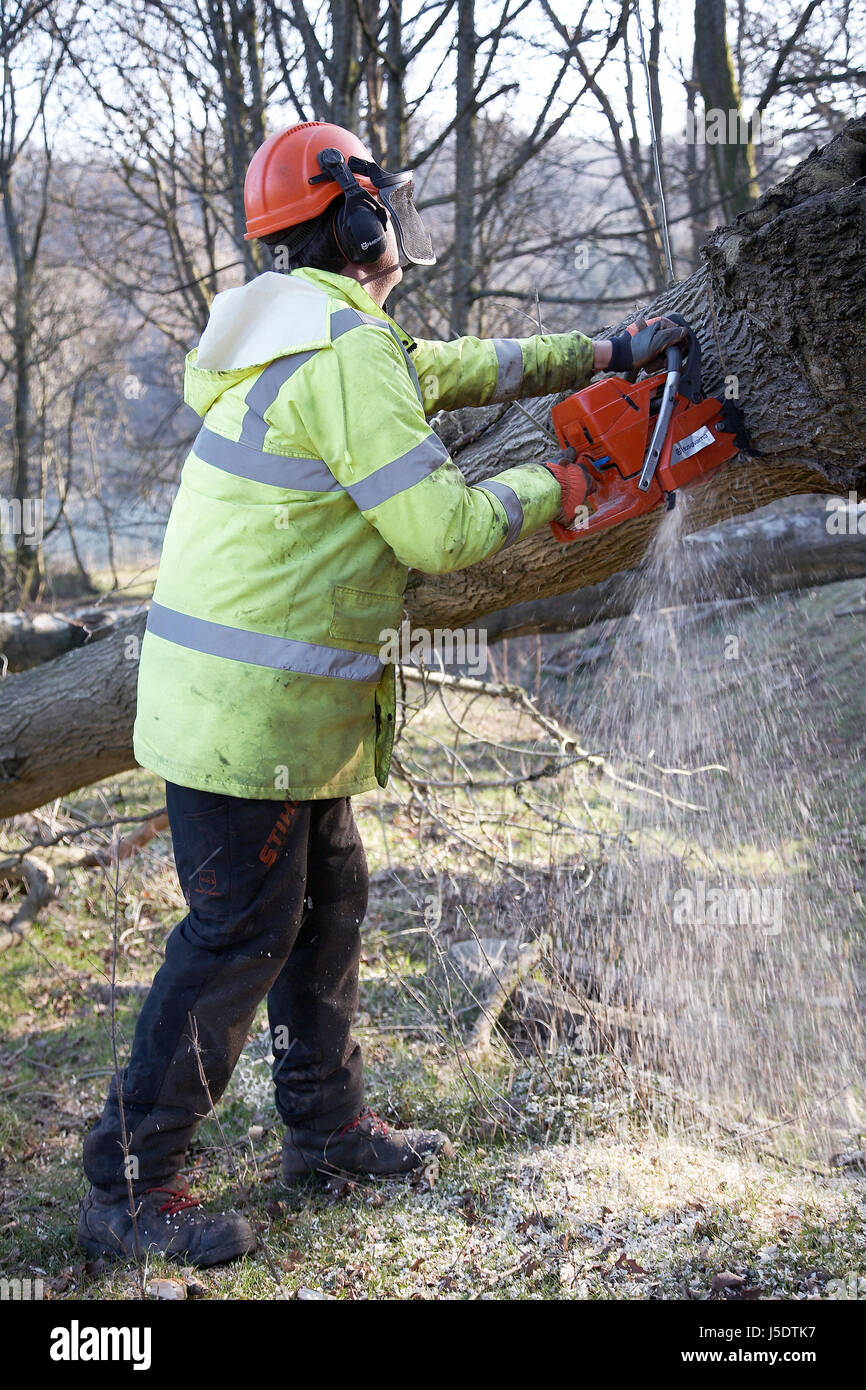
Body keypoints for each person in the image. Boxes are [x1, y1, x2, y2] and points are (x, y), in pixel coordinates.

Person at [78, 121, 687, 1267]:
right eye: (385, 204)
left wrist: (602, 351)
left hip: (266, 711)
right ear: (362, 219)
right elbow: (439, 530)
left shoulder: (301, 331)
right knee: (235, 939)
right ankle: (127, 1182)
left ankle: (322, 1125)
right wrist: (553, 482)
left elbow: (459, 366)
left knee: (327, 910)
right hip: (246, 718)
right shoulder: (346, 354)